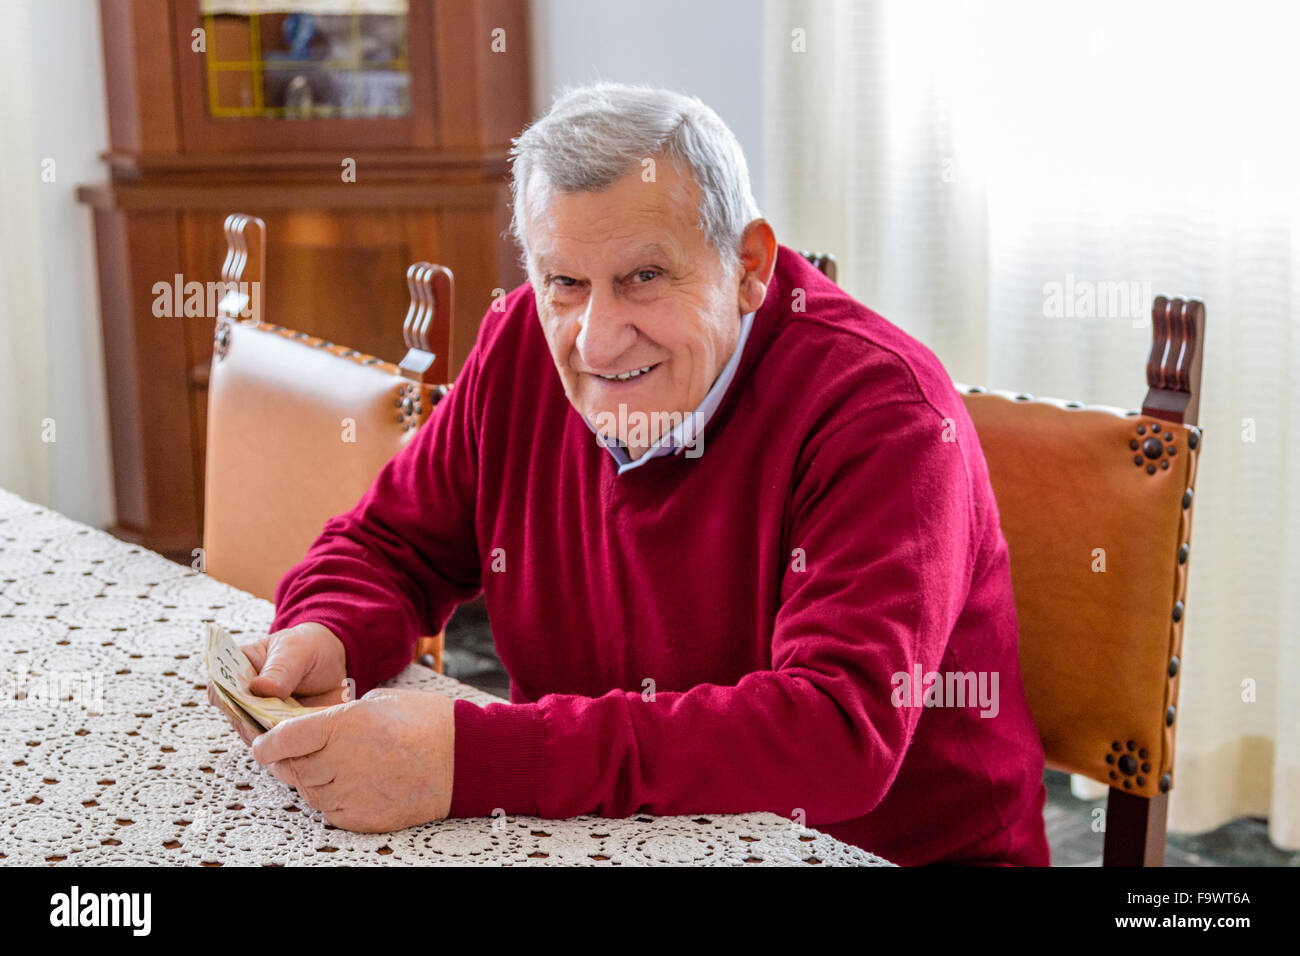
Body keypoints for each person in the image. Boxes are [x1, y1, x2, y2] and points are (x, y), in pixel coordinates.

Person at [208, 82, 1051, 866]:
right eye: (565, 283)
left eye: (644, 278)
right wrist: (326, 631)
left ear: (749, 266)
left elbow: (832, 737)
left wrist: (477, 759)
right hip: (615, 839)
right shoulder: (520, 347)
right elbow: (390, 543)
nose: (599, 338)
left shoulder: (884, 413)